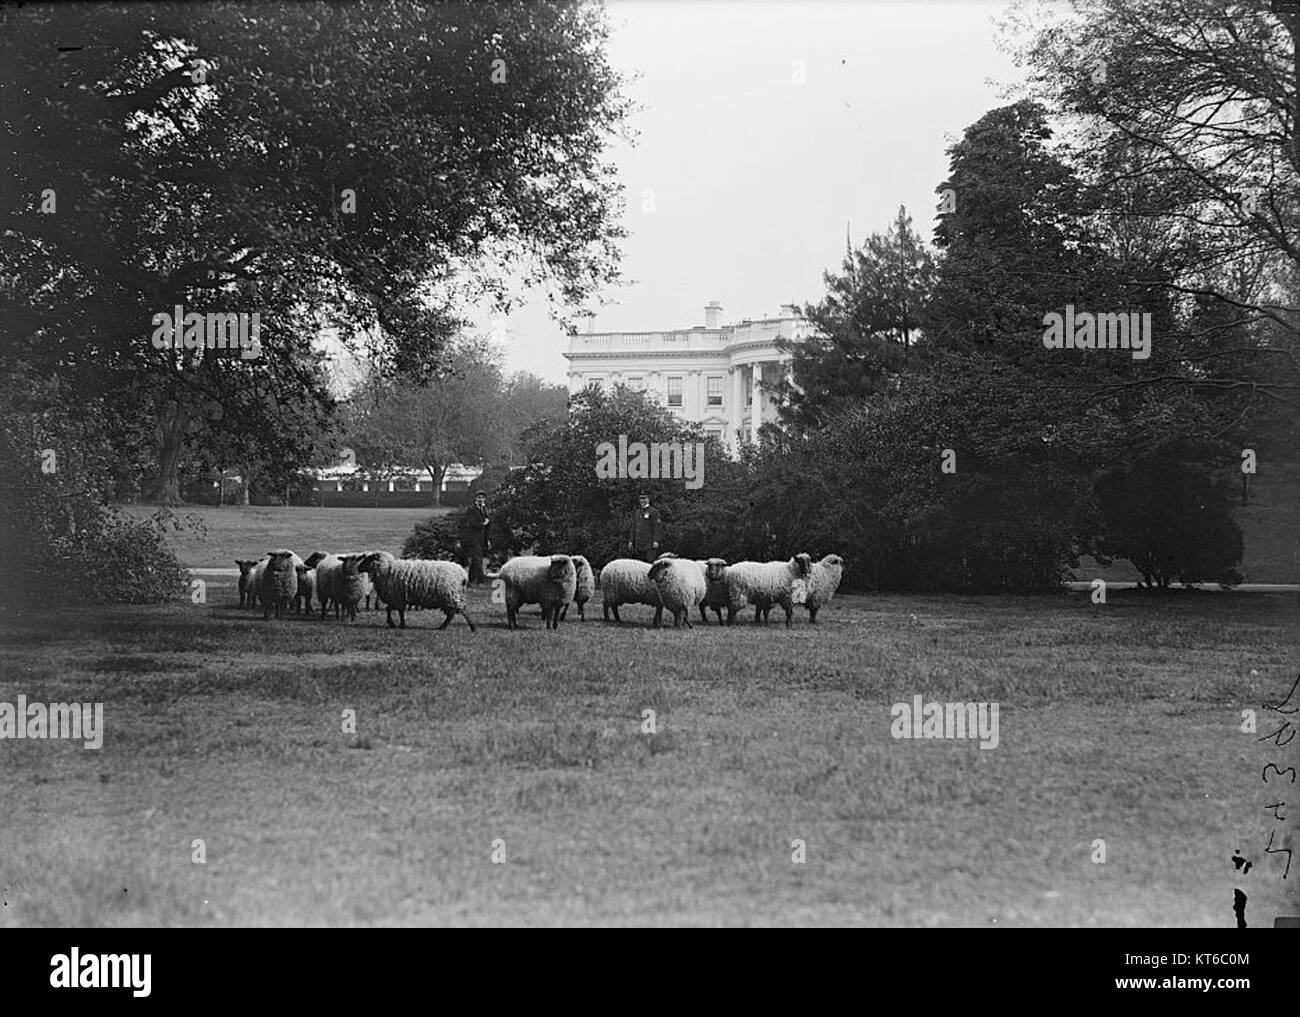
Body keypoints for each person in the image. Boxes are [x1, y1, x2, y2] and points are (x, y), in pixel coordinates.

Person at [462, 491, 492, 584]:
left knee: (476, 559)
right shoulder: (471, 510)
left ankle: (471, 579)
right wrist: (483, 524)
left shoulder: (484, 509)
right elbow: (472, 523)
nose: (480, 499)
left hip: (482, 538)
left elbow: (488, 526)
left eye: (482, 497)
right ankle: (480, 580)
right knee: (478, 558)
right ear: (475, 498)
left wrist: (487, 540)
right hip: (474, 538)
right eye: (479, 497)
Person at [626, 493, 662, 562]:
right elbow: (634, 528)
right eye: (640, 499)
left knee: (649, 564)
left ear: (648, 500)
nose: (642, 501)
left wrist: (656, 541)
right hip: (639, 545)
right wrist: (631, 541)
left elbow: (657, 528)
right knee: (639, 566)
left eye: (644, 498)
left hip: (649, 545)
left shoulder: (654, 512)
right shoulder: (637, 512)